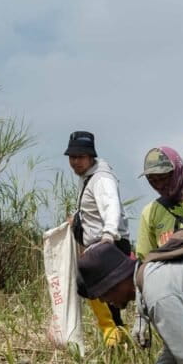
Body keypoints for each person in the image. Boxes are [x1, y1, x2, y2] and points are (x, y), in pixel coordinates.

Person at [65, 130, 132, 346]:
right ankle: (118, 341)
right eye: (72, 157)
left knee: (98, 293)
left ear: (91, 157)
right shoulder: (88, 178)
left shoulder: (102, 179)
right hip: (100, 246)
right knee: (106, 301)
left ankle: (115, 341)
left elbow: (110, 207)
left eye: (80, 157)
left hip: (107, 247)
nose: (75, 162)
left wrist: (107, 237)